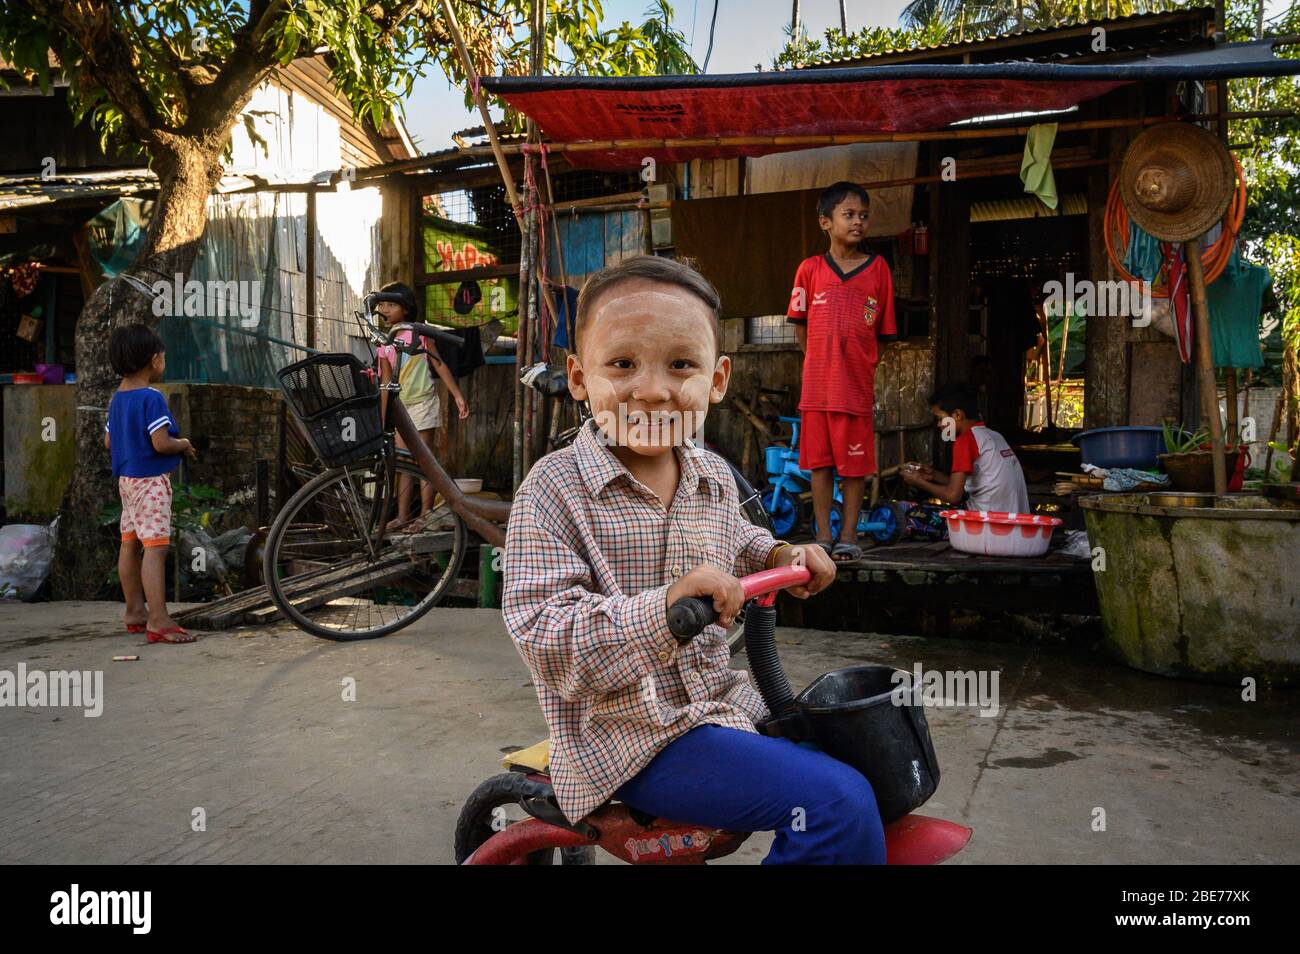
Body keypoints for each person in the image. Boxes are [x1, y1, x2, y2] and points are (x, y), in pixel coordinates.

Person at [502, 255, 885, 865]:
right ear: (579, 377)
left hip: (722, 701)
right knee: (835, 804)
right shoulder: (552, 492)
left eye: (681, 364)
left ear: (717, 378)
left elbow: (732, 537)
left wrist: (783, 553)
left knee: (874, 752)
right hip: (630, 736)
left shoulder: (711, 475)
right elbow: (545, 635)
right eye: (623, 363)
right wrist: (663, 611)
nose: (653, 389)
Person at [787, 181, 897, 562]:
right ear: (825, 222)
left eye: (863, 216)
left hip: (855, 389)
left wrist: (861, 365)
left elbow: (883, 332)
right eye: (848, 215)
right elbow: (799, 324)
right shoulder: (809, 270)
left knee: (854, 468)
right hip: (817, 389)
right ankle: (822, 535)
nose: (858, 222)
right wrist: (818, 361)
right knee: (819, 464)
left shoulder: (878, 269)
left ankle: (849, 535)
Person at [103, 324, 198, 643]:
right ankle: (158, 618)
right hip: (151, 484)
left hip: (126, 481)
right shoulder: (151, 398)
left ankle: (134, 611)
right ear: (154, 360)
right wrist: (183, 443)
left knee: (130, 543)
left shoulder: (118, 398)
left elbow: (107, 441)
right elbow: (160, 443)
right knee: (155, 549)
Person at [373, 282, 470, 531]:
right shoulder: (383, 343)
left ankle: (426, 514)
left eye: (391, 304)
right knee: (404, 463)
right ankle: (403, 516)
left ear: (406, 309)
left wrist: (457, 395)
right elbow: (384, 382)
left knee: (423, 460)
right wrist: (382, 418)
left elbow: (438, 365)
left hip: (424, 403)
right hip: (401, 408)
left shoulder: (419, 334)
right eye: (382, 304)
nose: (384, 308)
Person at [902, 383, 1030, 514]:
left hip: (989, 524)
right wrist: (933, 475)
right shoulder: (994, 436)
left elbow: (953, 496)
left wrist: (918, 482)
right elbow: (963, 485)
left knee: (906, 513)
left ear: (957, 414)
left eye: (940, 418)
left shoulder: (965, 440)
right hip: (1015, 522)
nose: (939, 424)